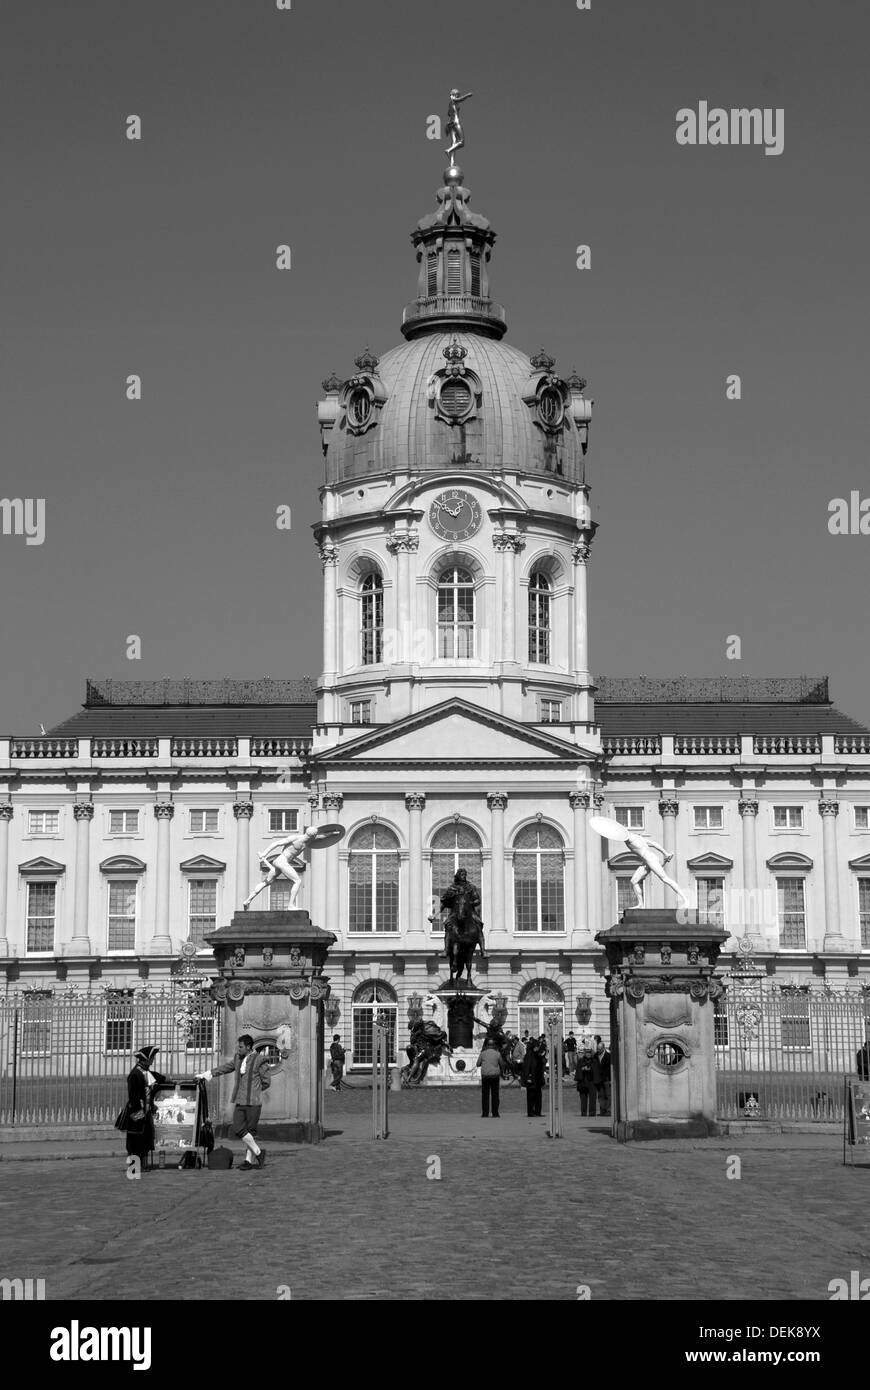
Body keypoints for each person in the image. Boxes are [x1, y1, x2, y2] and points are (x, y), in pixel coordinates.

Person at [196, 1035, 271, 1170]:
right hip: (240, 1100)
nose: (238, 1049)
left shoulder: (260, 1060)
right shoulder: (238, 1058)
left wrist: (255, 1090)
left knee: (250, 1133)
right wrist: (208, 1074)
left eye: (241, 1046)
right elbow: (226, 1068)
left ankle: (248, 1161)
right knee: (238, 1128)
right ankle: (259, 1153)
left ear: (248, 1047)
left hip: (254, 1102)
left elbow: (266, 1081)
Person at [242, 825, 319, 910]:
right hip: (282, 861)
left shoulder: (307, 841)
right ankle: (290, 906)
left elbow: (322, 837)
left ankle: (247, 900)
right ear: (313, 836)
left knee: (266, 882)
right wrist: (265, 853)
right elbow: (276, 843)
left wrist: (333, 833)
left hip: (279, 862)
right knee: (297, 880)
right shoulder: (296, 838)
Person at [124, 1045, 167, 1171]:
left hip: (146, 1112)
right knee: (135, 1140)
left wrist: (168, 1080)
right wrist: (139, 1114)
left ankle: (143, 1164)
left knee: (145, 1139)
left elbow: (157, 1079)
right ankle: (134, 1167)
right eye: (152, 1058)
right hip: (137, 1113)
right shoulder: (135, 1074)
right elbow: (133, 1096)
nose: (153, 1060)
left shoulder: (146, 1072)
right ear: (146, 1059)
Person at [476, 1037, 504, 1118]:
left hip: (485, 1076)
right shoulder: (497, 1053)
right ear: (494, 1045)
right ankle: (495, 1113)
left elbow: (478, 1064)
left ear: (487, 1045)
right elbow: (502, 1064)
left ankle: (485, 1113)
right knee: (495, 1095)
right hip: (495, 1076)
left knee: (485, 1095)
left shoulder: (483, 1053)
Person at [522, 1037, 546, 1117]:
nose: (537, 1048)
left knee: (538, 1096)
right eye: (536, 1047)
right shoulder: (529, 1055)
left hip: (538, 1079)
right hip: (531, 1079)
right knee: (531, 1096)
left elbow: (541, 1064)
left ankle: (538, 1111)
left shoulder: (537, 1054)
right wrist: (527, 1077)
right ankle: (531, 1112)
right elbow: (526, 1067)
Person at [591, 1035, 611, 1116]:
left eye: (599, 1049)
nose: (598, 1050)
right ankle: (602, 1111)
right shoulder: (595, 1056)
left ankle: (608, 1111)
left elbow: (610, 1069)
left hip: (606, 1079)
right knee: (600, 1095)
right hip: (598, 1079)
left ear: (603, 1048)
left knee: (608, 1095)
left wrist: (610, 1079)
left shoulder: (608, 1056)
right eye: (597, 1049)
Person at [574, 1046, 596, 1116]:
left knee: (592, 1099)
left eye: (589, 1053)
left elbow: (596, 1071)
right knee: (583, 1099)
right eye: (587, 1053)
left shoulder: (594, 1060)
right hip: (583, 1082)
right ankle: (583, 1113)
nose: (588, 1054)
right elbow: (578, 1071)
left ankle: (592, 1113)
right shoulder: (581, 1060)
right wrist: (583, 1069)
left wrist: (590, 1069)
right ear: (585, 1053)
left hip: (592, 1082)